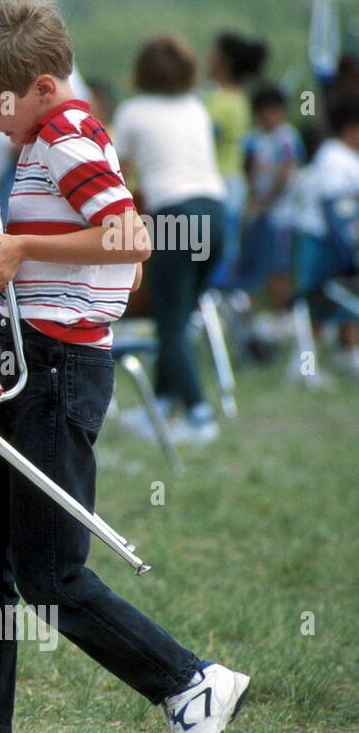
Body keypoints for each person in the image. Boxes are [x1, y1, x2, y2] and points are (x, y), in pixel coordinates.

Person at [0, 0, 249, 733]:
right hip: (29, 370)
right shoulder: (48, 136)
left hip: (57, 372)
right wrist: (9, 235)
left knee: (49, 575)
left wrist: (19, 247)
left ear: (45, 86)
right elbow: (72, 239)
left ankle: (190, 683)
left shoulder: (61, 136)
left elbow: (130, 235)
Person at [112, 34, 227, 444]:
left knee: (169, 320)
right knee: (178, 316)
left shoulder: (132, 111)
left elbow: (118, 174)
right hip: (215, 212)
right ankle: (161, 406)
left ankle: (199, 416)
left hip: (174, 214)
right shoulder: (196, 107)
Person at [289, 94, 359, 378]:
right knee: (316, 302)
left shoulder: (347, 158)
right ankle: (303, 363)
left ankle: (350, 352)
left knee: (345, 297)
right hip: (321, 243)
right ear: (350, 128)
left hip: (336, 243)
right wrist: (348, 249)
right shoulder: (333, 157)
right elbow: (336, 209)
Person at [205, 33, 267, 286]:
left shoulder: (220, 102)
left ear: (224, 63)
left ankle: (210, 303)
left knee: (210, 252)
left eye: (212, 54)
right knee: (227, 250)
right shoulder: (241, 99)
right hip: (235, 184)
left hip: (219, 183)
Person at [239, 84, 303, 315]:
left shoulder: (286, 137)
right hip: (261, 212)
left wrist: (264, 200)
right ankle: (257, 317)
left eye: (272, 111)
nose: (267, 117)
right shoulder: (255, 139)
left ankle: (282, 314)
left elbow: (285, 173)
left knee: (279, 267)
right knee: (257, 265)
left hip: (281, 215)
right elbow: (249, 169)